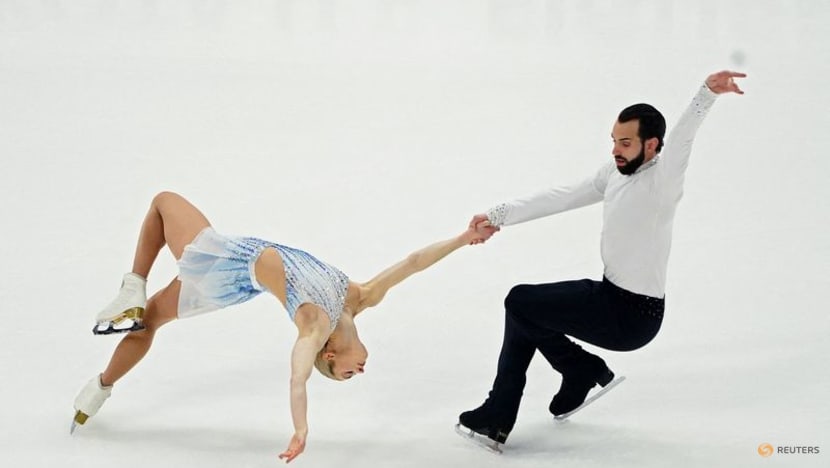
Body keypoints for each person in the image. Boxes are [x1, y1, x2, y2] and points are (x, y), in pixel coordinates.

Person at [71, 191, 497, 463]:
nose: (360, 371)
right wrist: (462, 239)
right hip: (234, 280)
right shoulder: (359, 298)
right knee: (149, 324)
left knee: (164, 201)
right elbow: (412, 264)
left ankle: (132, 287)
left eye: (346, 373)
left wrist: (300, 429)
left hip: (227, 262)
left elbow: (297, 379)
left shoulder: (312, 327)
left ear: (328, 356)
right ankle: (100, 387)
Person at [457, 70, 746, 448]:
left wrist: (706, 93)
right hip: (609, 296)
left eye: (626, 142)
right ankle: (579, 371)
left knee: (521, 302)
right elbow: (563, 196)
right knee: (528, 308)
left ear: (652, 145)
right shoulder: (615, 172)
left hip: (633, 317)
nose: (615, 149)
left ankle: (506, 410)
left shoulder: (663, 181)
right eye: (614, 141)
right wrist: (499, 215)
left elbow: (684, 138)